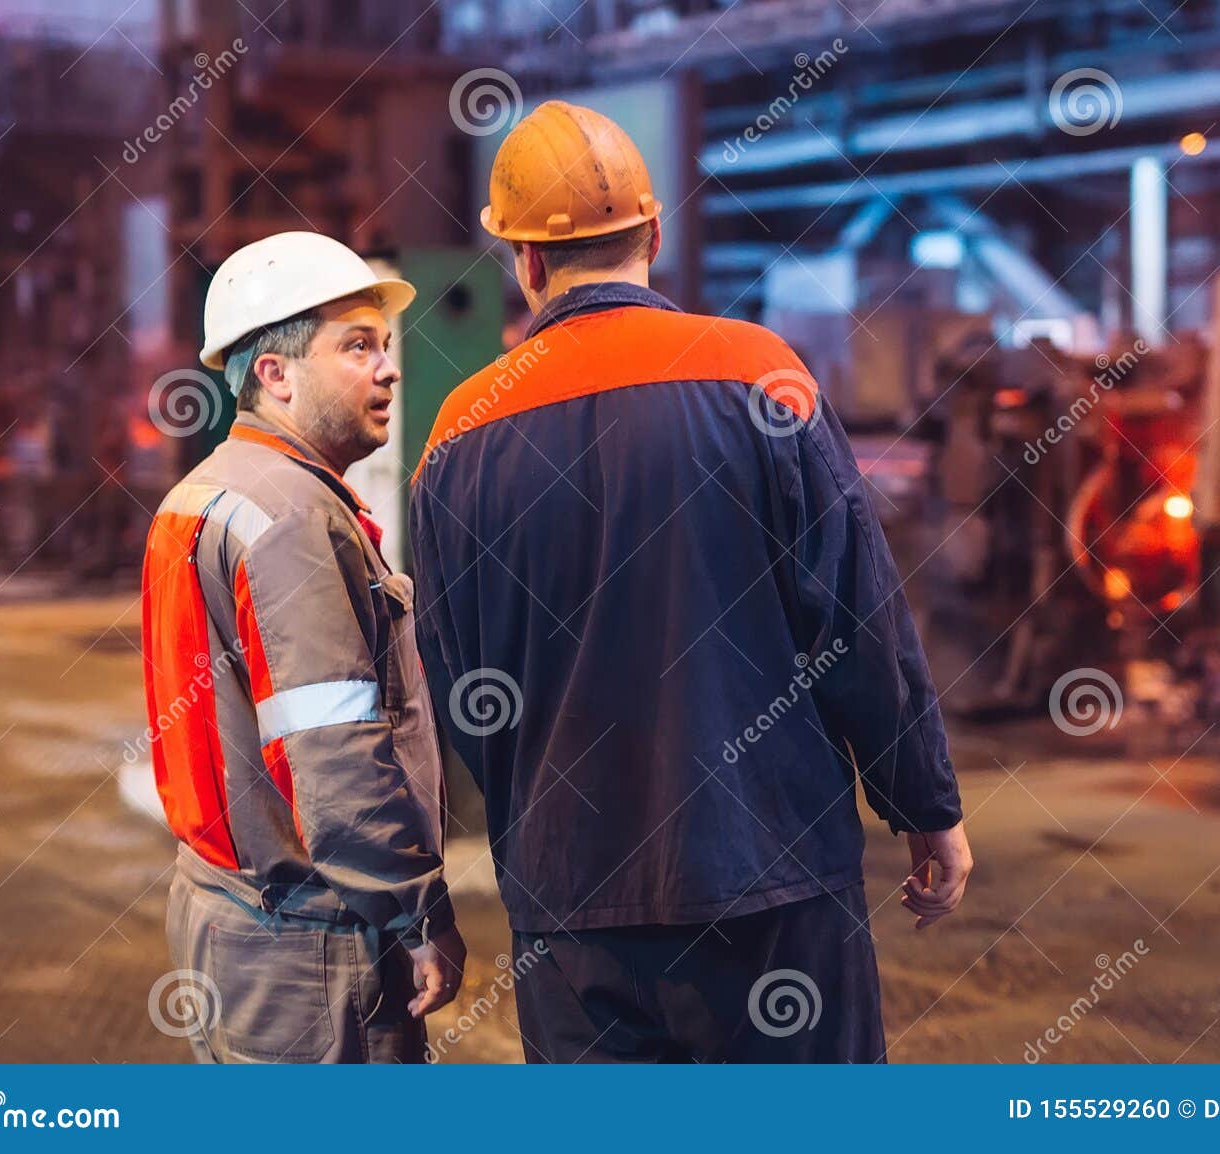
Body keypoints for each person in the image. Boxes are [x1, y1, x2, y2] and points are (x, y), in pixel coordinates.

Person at [409, 102, 971, 1064]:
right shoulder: (756, 373)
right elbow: (856, 616)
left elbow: (453, 690)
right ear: (656, 234)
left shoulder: (460, 434)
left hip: (575, 903)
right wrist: (924, 804)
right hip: (771, 878)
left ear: (526, 263)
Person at [142, 231, 464, 1063]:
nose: (390, 368)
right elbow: (332, 750)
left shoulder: (206, 491)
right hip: (310, 948)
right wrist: (412, 911)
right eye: (357, 346)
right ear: (274, 374)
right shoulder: (290, 515)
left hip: (230, 916)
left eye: (385, 346)